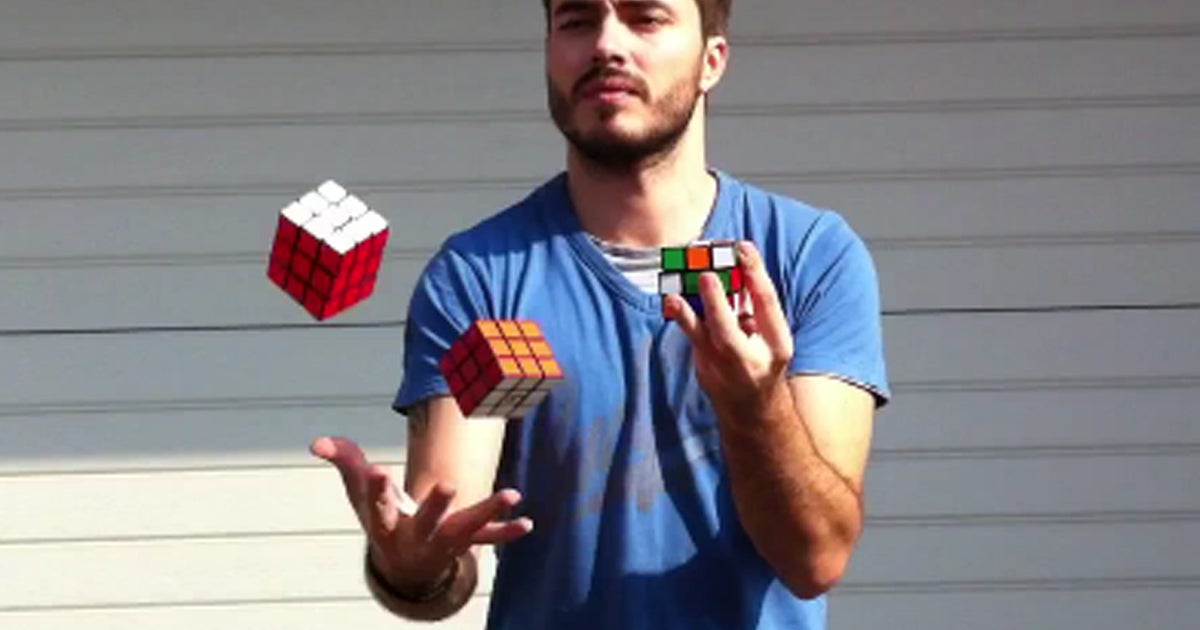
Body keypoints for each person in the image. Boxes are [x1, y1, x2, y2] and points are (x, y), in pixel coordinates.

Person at [310, 0, 889, 627]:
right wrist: (410, 566)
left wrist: (756, 409)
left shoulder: (805, 257)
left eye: (646, 18)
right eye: (578, 20)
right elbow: (450, 544)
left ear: (712, 60)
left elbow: (815, 559)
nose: (607, 44)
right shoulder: (485, 279)